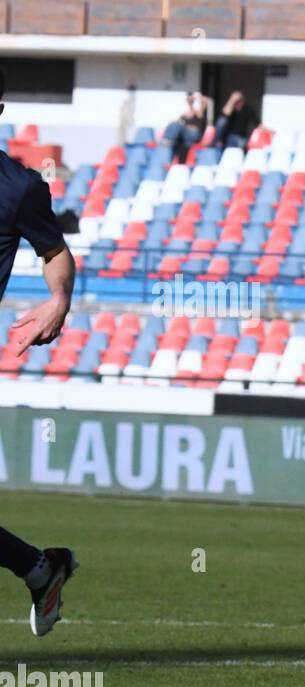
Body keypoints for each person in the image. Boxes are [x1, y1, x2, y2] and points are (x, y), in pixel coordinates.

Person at [0, 66, 79, 634]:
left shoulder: (18, 186)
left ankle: (39, 568)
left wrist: (58, 300)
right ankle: (39, 567)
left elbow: (55, 253)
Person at [162, 92, 208, 165]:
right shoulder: (186, 111)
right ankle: (168, 141)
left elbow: (203, 105)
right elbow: (179, 120)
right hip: (184, 136)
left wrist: (196, 98)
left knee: (178, 130)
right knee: (174, 125)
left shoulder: (200, 111)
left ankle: (167, 141)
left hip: (194, 135)